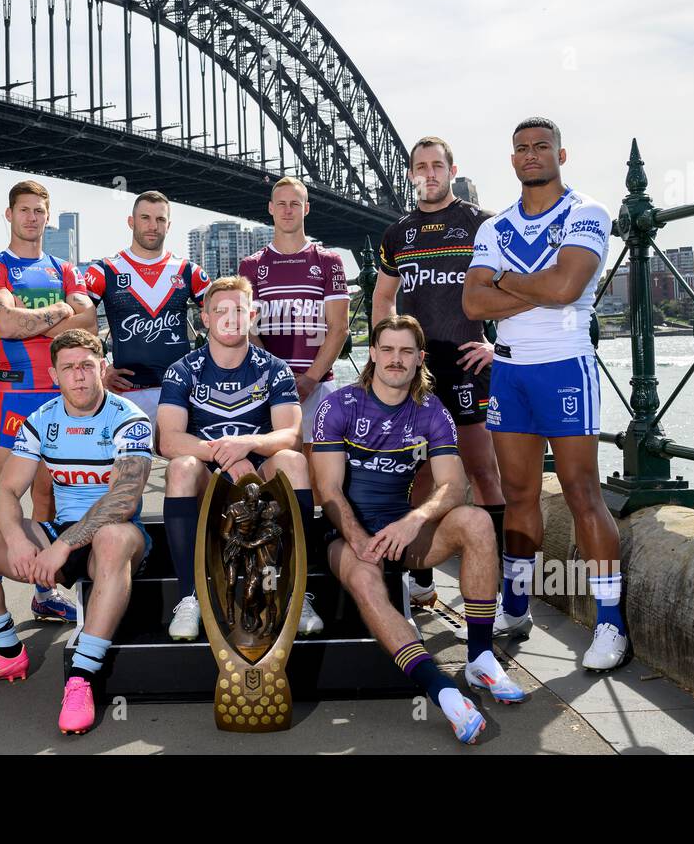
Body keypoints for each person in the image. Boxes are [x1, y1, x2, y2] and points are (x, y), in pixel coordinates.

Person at [312, 315, 525, 745]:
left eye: (406, 351)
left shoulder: (431, 410)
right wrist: (356, 538)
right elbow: (329, 490)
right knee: (363, 576)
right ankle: (441, 689)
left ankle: (480, 657)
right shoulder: (339, 405)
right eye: (387, 350)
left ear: (419, 358)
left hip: (401, 529)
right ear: (372, 354)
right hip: (345, 533)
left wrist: (413, 520)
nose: (396, 359)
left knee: (476, 520)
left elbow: (454, 485)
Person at [462, 116, 626, 672]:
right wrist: (535, 290)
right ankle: (515, 605)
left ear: (561, 153)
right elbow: (473, 306)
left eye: (541, 147)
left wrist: (504, 281)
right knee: (519, 494)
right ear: (512, 160)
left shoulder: (588, 213)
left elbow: (566, 288)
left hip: (565, 368)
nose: (531, 155)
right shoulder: (494, 226)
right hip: (510, 373)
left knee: (582, 492)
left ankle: (610, 623)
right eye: (522, 149)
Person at [0, 329, 154, 735]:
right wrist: (18, 539)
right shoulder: (41, 420)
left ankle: (83, 675)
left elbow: (123, 500)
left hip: (116, 538)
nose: (79, 376)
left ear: (102, 369)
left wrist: (63, 545)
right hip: (56, 533)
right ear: (53, 374)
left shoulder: (130, 418)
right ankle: (6, 650)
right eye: (69, 368)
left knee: (112, 535)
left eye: (87, 367)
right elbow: (6, 490)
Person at [373, 136, 507, 608]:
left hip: (468, 366)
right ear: (410, 173)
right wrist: (383, 353)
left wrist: (498, 344)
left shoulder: (481, 224)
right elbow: (382, 298)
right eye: (419, 166)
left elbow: (514, 285)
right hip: (418, 372)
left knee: (482, 471)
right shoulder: (398, 234)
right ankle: (422, 576)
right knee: (421, 475)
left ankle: (504, 578)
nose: (428, 174)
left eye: (437, 165)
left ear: (451, 170)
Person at [156, 275, 323, 640]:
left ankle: (298, 591)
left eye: (239, 310)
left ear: (253, 315)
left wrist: (246, 443)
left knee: (293, 462)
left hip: (258, 478)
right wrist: (228, 458)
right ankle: (189, 598)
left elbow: (291, 435)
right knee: (181, 467)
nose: (230, 318)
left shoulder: (274, 369)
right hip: (208, 483)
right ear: (205, 318)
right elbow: (169, 440)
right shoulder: (182, 370)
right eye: (221, 311)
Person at [0, 179, 97, 623]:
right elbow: (4, 323)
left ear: (48, 217)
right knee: (1, 503)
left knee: (46, 499)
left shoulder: (64, 267)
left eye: (39, 211)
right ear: (9, 215)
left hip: (58, 395)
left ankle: (44, 594)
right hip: (14, 395)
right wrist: (61, 313)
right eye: (23, 210)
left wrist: (36, 319)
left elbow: (89, 327)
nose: (31, 218)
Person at [239, 177, 349, 465]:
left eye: (295, 204)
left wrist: (310, 380)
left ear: (306, 209)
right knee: (278, 468)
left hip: (319, 382)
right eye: (282, 204)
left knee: (319, 473)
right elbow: (248, 329)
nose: (288, 211)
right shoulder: (251, 265)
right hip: (269, 385)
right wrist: (279, 380)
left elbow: (339, 328)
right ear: (271, 209)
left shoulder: (329, 261)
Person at [84, 190, 209, 426]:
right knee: (128, 463)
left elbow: (226, 317)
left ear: (168, 225)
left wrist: (211, 365)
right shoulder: (104, 270)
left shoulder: (188, 271)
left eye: (160, 219)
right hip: (126, 395)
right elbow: (78, 326)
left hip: (181, 392)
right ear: (131, 222)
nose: (153, 226)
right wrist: (100, 369)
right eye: (145, 218)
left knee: (182, 462)